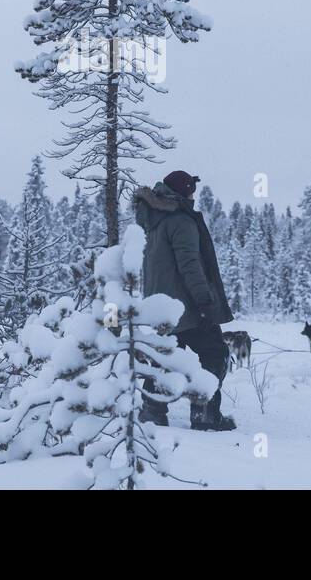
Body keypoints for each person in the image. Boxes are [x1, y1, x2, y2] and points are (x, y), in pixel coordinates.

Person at [132, 170, 236, 431]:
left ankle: (152, 411)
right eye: (192, 190)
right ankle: (204, 412)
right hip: (187, 306)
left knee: (166, 358)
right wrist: (204, 300)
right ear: (184, 192)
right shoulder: (181, 221)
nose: (193, 195)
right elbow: (190, 264)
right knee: (215, 353)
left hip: (160, 305)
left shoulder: (151, 220)